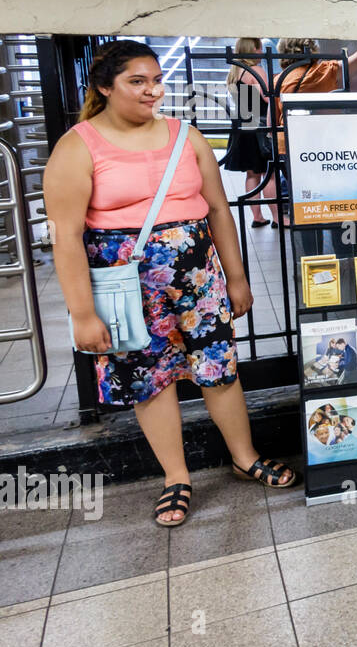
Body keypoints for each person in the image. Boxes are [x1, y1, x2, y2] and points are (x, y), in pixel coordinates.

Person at [45, 40, 298, 527]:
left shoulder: (187, 136)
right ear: (104, 86)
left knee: (219, 369)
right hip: (127, 288)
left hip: (199, 279)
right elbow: (67, 237)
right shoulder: (79, 146)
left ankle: (244, 457)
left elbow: (221, 210)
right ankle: (176, 477)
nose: (152, 91)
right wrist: (82, 313)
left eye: (156, 80)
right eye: (137, 82)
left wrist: (237, 279)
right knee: (150, 380)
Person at [221, 37, 279, 227]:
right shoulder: (256, 70)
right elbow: (268, 96)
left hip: (242, 125)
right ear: (253, 49)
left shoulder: (234, 72)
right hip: (259, 126)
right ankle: (279, 218)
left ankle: (257, 216)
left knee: (252, 174)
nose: (262, 51)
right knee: (269, 174)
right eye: (260, 47)